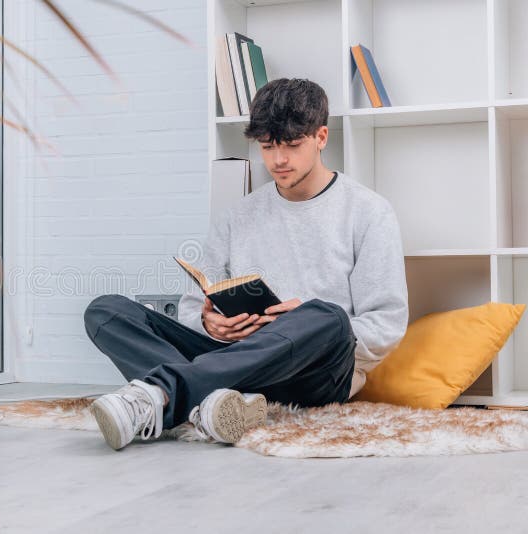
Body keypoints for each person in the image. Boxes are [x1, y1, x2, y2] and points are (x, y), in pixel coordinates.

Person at [83, 78, 408, 451]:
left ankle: (164, 394)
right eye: (268, 147)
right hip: (230, 363)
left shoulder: (368, 212)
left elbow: (387, 324)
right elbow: (192, 307)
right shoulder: (236, 217)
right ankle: (212, 407)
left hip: (312, 375)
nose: (278, 160)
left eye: (292, 146)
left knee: (327, 317)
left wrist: (298, 324)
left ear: (321, 137)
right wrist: (209, 324)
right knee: (105, 311)